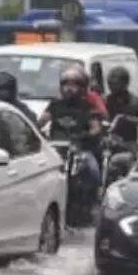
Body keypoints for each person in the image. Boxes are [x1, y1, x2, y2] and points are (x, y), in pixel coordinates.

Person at [37, 66, 103, 212]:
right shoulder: (55, 105)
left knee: (93, 171)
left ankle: (91, 203)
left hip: (80, 150)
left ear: (82, 88)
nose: (69, 89)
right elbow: (40, 122)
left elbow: (95, 128)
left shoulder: (87, 107)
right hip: (56, 150)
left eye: (74, 85)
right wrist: (36, 133)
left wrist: (85, 136)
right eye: (66, 84)